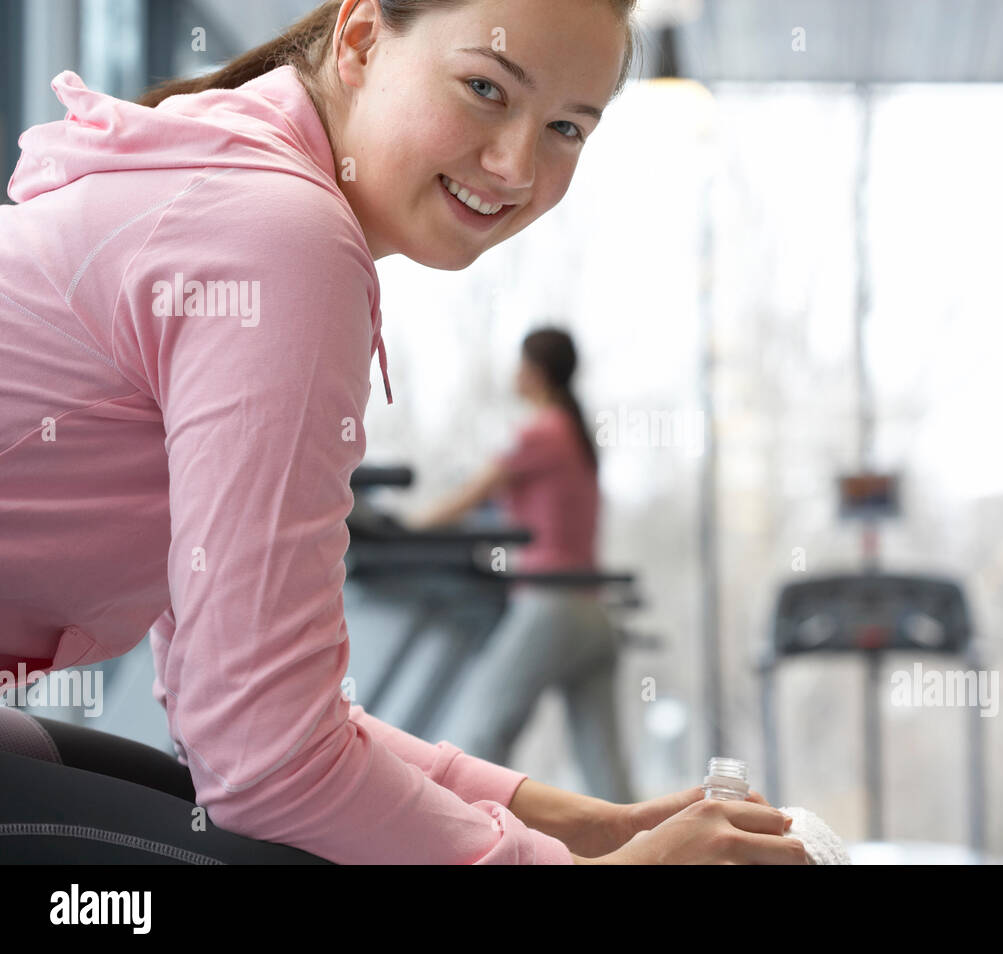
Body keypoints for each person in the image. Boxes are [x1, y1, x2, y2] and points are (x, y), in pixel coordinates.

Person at [0, 0, 806, 864]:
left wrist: (587, 828)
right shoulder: (276, 233)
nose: (516, 166)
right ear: (358, 40)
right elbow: (266, 764)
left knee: (192, 806)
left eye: (568, 127)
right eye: (485, 88)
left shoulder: (235, 169)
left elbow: (240, 719)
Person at [409, 326, 634, 804]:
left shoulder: (539, 431)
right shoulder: (574, 432)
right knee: (606, 775)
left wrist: (410, 527)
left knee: (477, 739)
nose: (514, 373)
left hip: (551, 609)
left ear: (535, 372)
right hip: (593, 614)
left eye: (520, 363)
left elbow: (473, 493)